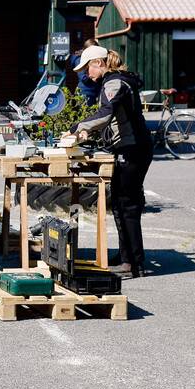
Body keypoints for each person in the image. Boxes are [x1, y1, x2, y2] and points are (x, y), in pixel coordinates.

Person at [70, 45, 153, 277]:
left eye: (87, 68)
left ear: (98, 63)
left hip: (133, 149)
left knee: (128, 206)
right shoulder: (113, 81)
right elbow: (114, 118)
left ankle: (134, 264)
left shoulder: (113, 82)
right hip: (129, 147)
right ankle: (125, 255)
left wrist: (77, 128)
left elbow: (107, 112)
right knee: (118, 203)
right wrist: (91, 132)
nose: (86, 74)